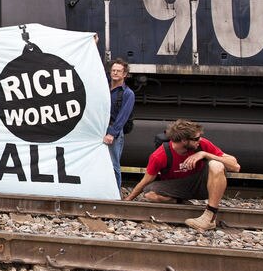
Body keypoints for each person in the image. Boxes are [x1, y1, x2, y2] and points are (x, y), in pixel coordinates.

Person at [124, 119, 240, 231]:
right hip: (178, 188)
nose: (199, 140)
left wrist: (204, 154)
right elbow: (146, 181)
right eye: (196, 138)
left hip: (203, 185)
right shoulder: (159, 155)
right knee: (149, 194)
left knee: (216, 165)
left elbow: (235, 166)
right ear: (184, 140)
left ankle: (209, 217)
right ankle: (181, 202)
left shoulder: (202, 145)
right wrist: (128, 201)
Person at [103, 58, 134, 190]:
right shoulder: (103, 87)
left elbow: (123, 117)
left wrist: (112, 133)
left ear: (124, 74)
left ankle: (115, 193)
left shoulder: (128, 94)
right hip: (99, 128)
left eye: (118, 71)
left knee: (113, 163)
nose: (115, 73)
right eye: (113, 70)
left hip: (112, 130)